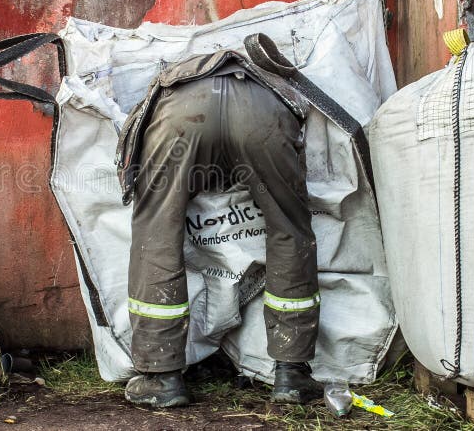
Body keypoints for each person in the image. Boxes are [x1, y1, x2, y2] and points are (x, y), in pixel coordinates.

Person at [116, 33, 323, 408]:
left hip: (181, 111)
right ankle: (292, 374)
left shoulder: (174, 76)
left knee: (157, 230)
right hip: (261, 112)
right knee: (288, 229)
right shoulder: (266, 76)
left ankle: (161, 377)